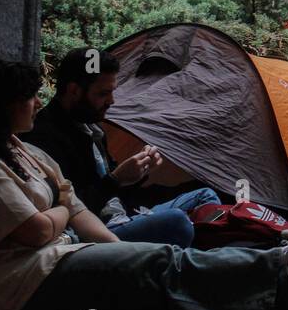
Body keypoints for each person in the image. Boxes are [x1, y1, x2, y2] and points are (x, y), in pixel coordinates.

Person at [0, 59, 288, 310]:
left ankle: (283, 258)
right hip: (21, 286)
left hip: (65, 254)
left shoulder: (24, 149)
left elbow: (74, 205)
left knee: (160, 247)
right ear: (2, 105)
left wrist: (115, 247)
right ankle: (284, 267)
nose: (36, 103)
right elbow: (36, 230)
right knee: (164, 250)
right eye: (28, 97)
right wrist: (74, 207)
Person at [27, 48, 220, 248]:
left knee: (205, 195)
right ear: (74, 91)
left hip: (126, 213)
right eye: (103, 93)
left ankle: (200, 253)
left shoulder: (91, 127)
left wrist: (141, 172)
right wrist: (116, 180)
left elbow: (117, 189)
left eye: (112, 92)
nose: (111, 101)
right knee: (178, 222)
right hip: (101, 230)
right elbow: (71, 209)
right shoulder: (44, 137)